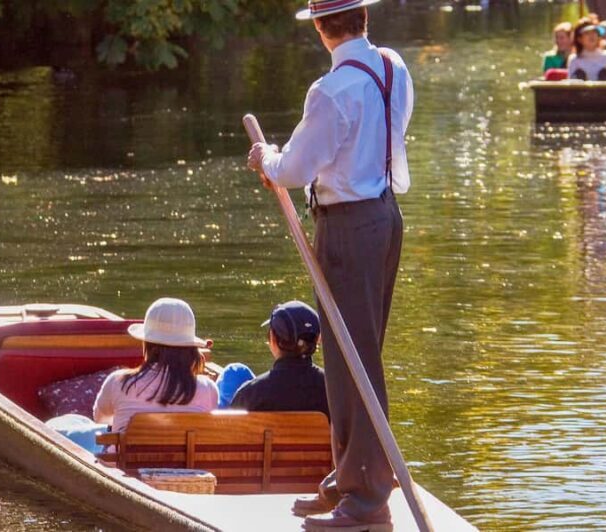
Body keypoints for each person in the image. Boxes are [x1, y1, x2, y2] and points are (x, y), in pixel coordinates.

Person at [246, 0, 413, 530]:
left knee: (353, 361)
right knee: (351, 357)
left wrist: (265, 160)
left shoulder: (330, 90)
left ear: (321, 28)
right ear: (363, 18)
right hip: (386, 217)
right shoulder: (393, 65)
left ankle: (365, 500)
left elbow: (293, 168)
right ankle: (349, 476)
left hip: (349, 228)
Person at [93, 297, 219, 432]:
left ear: (147, 343)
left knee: (73, 422)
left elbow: (100, 418)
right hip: (183, 452)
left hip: (129, 452)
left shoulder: (118, 382)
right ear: (190, 347)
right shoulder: (208, 389)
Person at [230, 301, 329, 419]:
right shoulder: (334, 392)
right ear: (317, 339)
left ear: (272, 338)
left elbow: (231, 433)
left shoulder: (249, 395)